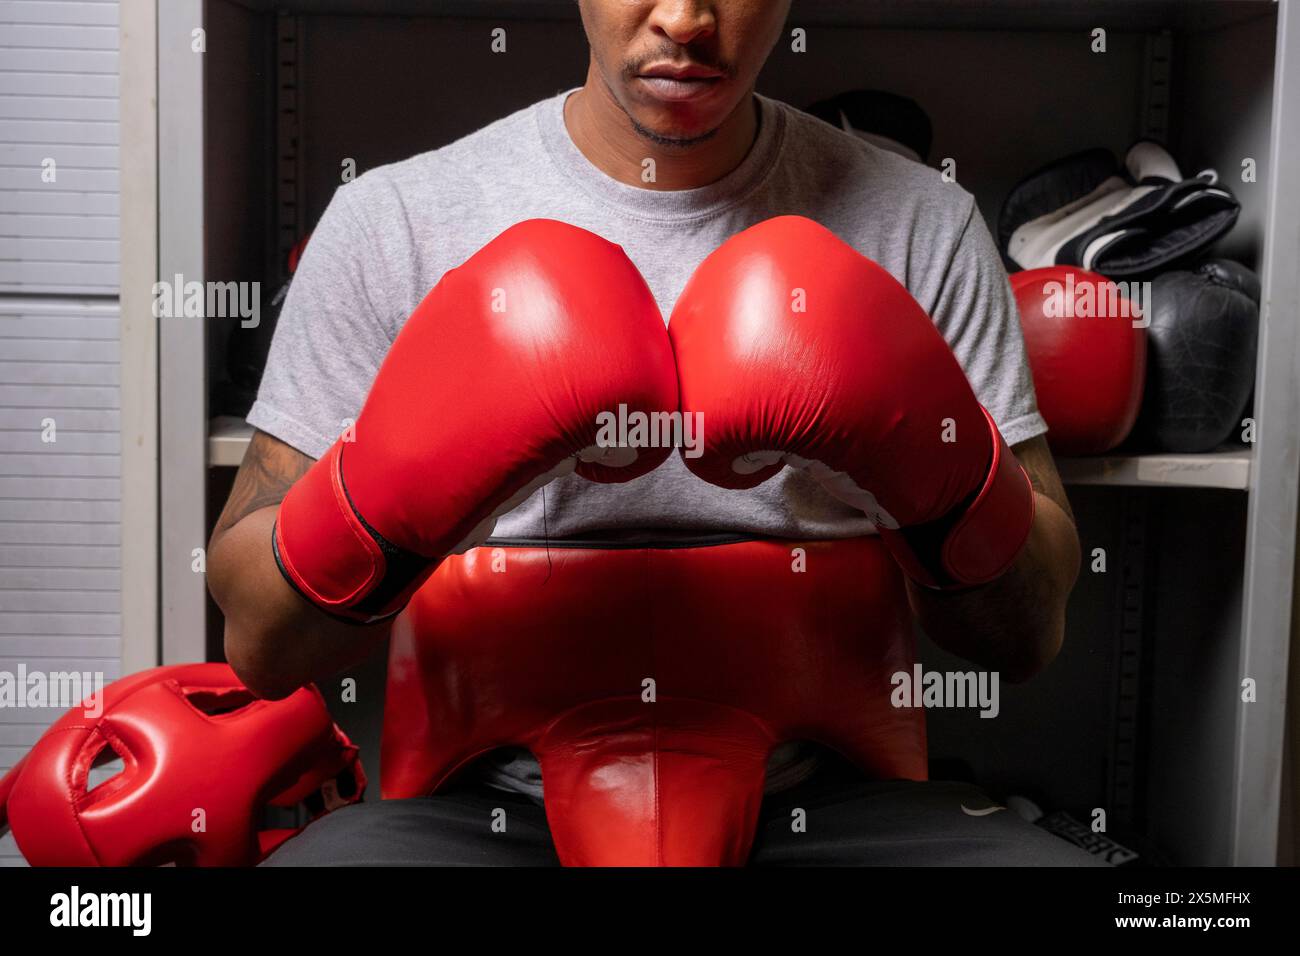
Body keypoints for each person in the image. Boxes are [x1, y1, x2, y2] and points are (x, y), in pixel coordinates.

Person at [207, 0, 1099, 866]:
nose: (686, 19)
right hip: (487, 809)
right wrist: (385, 502)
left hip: (829, 802)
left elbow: (1027, 637)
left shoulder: (920, 224)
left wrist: (936, 480)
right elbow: (261, 642)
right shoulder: (396, 223)